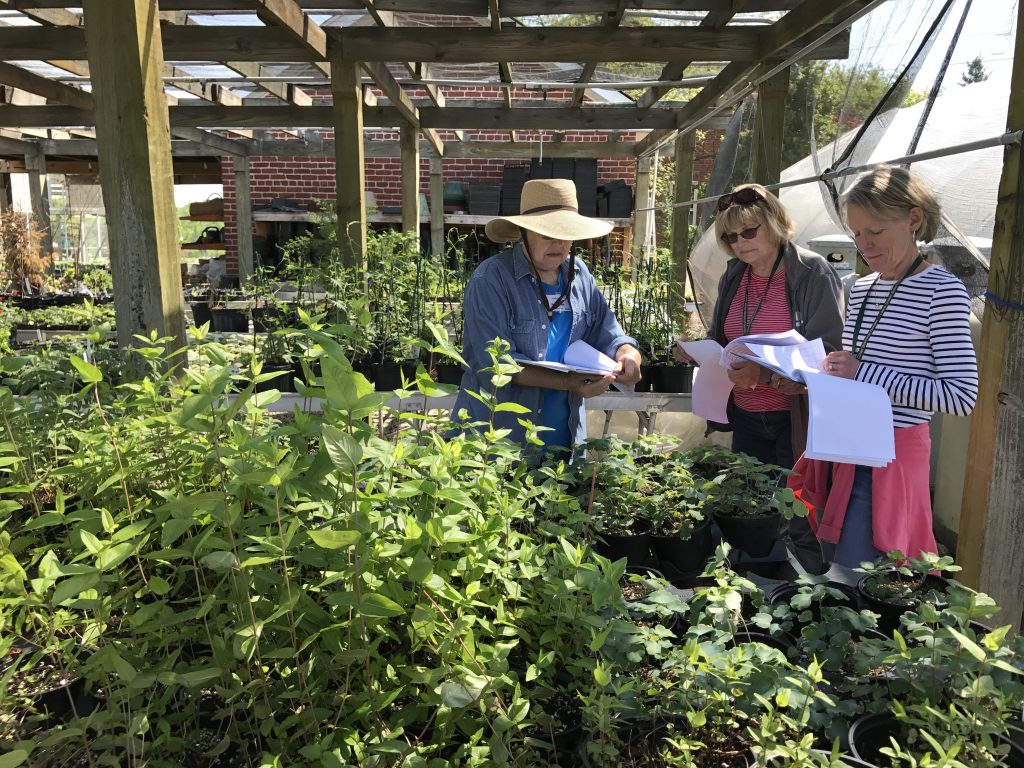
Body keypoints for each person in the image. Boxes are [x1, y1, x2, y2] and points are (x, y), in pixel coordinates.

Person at [792, 165, 978, 571]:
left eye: (874, 231)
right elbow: (857, 371)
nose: (865, 245)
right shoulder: (861, 288)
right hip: (844, 446)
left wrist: (862, 373)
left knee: (868, 575)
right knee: (837, 566)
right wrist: (824, 377)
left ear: (913, 219)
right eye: (857, 234)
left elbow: (960, 396)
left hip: (891, 458)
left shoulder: (941, 290)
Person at [673, 183, 844, 573]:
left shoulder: (811, 273)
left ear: (775, 224)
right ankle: (755, 593)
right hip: (749, 415)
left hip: (794, 418)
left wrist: (764, 376)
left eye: (749, 231)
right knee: (749, 508)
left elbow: (828, 355)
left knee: (800, 515)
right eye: (730, 237)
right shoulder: (736, 274)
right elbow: (729, 339)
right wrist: (701, 349)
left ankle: (811, 599)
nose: (739, 243)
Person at [451, 178, 643, 454]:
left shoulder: (579, 276)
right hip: (498, 443)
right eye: (547, 234)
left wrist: (627, 354)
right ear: (522, 232)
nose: (559, 244)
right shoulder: (492, 279)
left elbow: (608, 331)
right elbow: (494, 364)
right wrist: (567, 382)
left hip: (564, 441)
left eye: (566, 234)